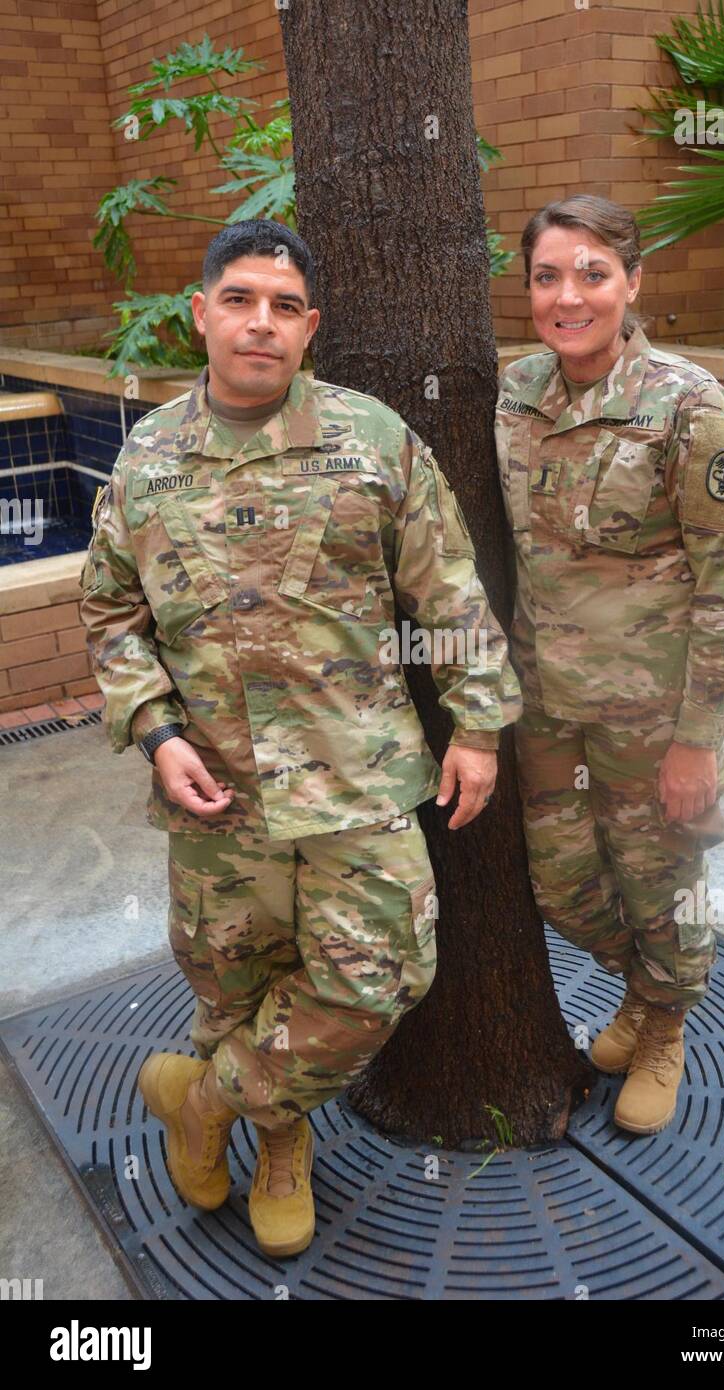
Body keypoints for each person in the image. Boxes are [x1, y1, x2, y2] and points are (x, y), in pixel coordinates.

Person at [80, 218, 522, 1256]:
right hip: (215, 792)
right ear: (201, 313)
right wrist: (153, 731)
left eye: (283, 307)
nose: (260, 324)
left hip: (356, 780)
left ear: (309, 326)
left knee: (378, 978)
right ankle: (282, 1144)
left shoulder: (370, 441)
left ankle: (205, 1105)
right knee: (232, 979)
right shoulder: (144, 461)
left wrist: (478, 725)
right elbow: (110, 614)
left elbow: (450, 588)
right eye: (238, 299)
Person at [495, 195, 724, 1135]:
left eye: (592, 274)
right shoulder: (513, 394)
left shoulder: (690, 407)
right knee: (563, 885)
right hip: (545, 709)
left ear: (633, 283)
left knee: (658, 881)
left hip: (653, 720)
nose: (568, 296)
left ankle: (664, 1027)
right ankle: (647, 993)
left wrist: (697, 740)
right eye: (546, 276)